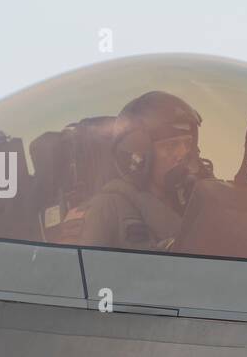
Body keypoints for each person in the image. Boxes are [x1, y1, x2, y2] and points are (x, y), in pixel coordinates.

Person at [77, 91, 212, 249]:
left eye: (187, 144)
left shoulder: (193, 200)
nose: (183, 154)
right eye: (171, 146)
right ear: (137, 154)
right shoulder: (106, 208)